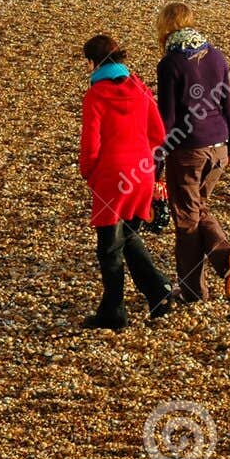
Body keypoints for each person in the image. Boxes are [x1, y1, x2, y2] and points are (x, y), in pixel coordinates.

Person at [78, 34, 172, 330]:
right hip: (141, 172)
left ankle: (114, 311)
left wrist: (89, 172)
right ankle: (159, 292)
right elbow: (158, 133)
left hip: (112, 175)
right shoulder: (140, 89)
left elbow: (91, 144)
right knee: (128, 235)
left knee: (109, 248)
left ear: (94, 63)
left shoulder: (95, 95)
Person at [155, 2, 230, 303]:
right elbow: (227, 104)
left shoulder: (170, 64)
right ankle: (225, 259)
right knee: (198, 208)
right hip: (218, 147)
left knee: (186, 218)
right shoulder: (216, 54)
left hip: (188, 151)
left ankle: (196, 287)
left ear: (166, 26)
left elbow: (166, 119)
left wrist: (155, 164)